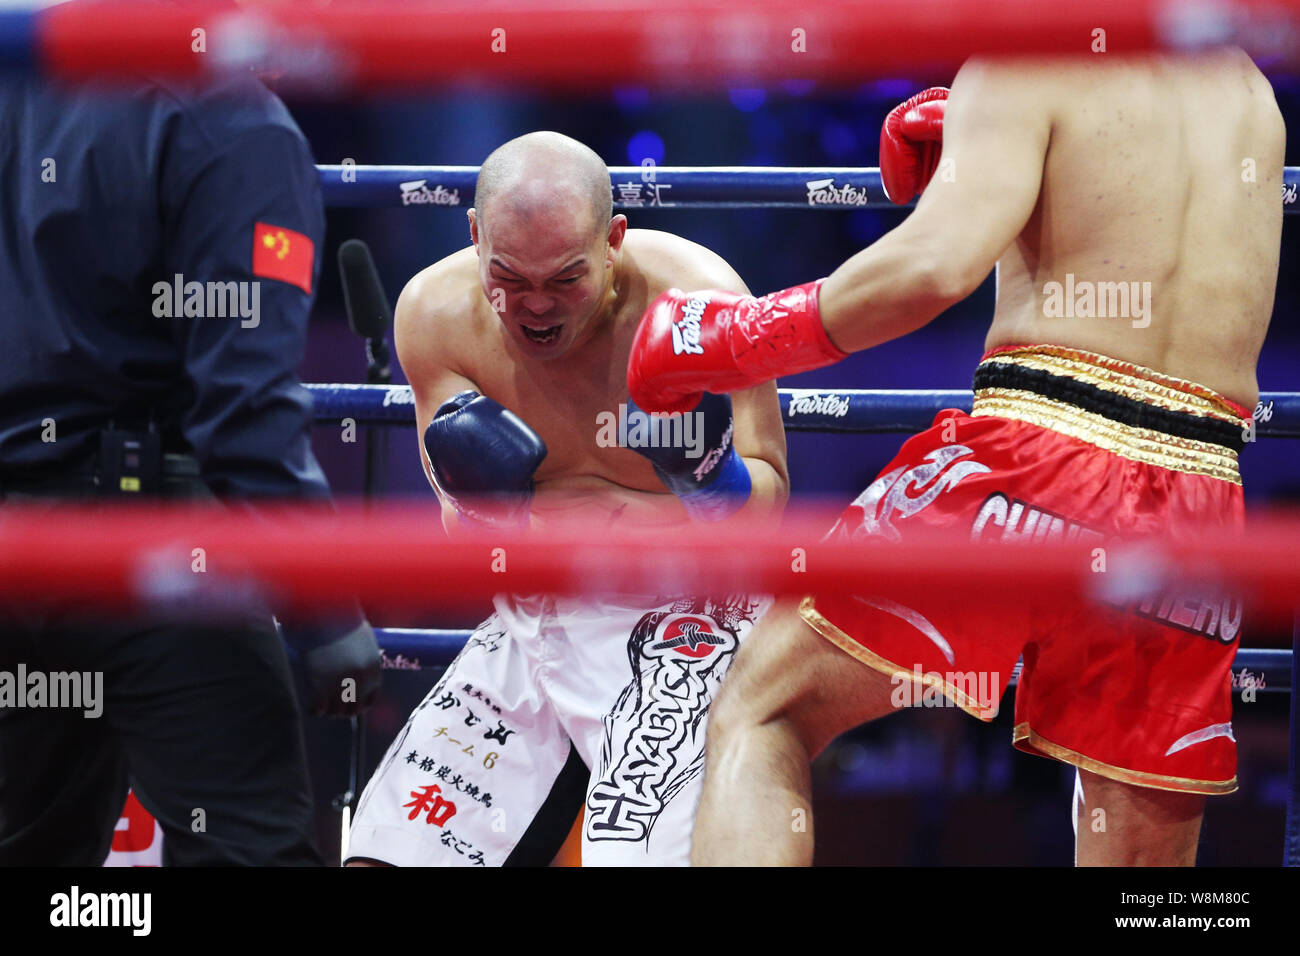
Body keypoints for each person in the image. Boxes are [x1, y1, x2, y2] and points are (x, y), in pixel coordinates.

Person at [628, 50, 1284, 865]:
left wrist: (728, 338)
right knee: (1140, 866)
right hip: (1199, 506)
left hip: (1036, 456)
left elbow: (932, 267)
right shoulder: (1249, 88)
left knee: (764, 714)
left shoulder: (1029, 60)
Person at [345, 131, 788, 866]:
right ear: (475, 236)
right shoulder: (434, 314)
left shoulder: (700, 306)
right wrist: (495, 511)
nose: (537, 306)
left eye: (566, 278)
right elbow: (467, 534)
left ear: (613, 240)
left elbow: (767, 507)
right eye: (510, 278)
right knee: (387, 857)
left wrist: (711, 481)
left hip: (685, 621)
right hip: (534, 613)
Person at [0, 69, 381, 866]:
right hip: (143, 543)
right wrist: (324, 614)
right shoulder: (234, 126)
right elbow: (244, 413)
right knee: (250, 850)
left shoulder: (22, 78)